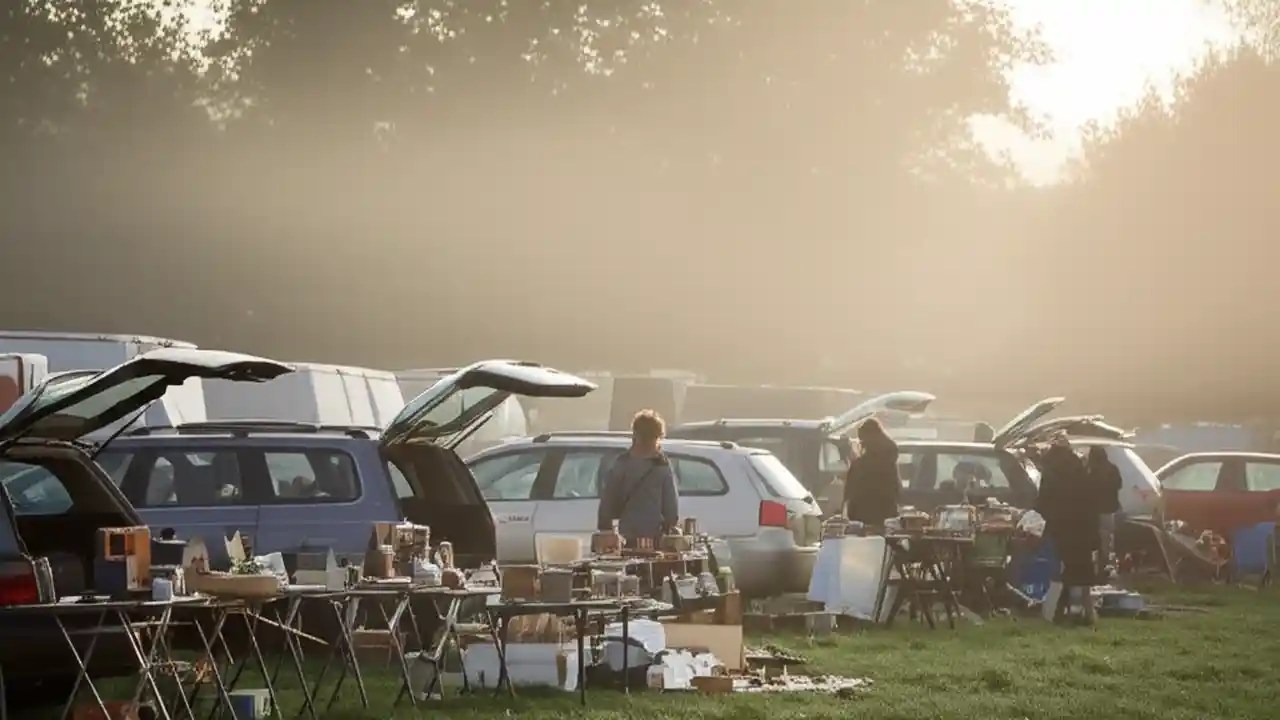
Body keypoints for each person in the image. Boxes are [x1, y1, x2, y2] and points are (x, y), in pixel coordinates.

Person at [1035, 433, 1096, 624]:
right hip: (1082, 526)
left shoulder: (1050, 470)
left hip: (1060, 526)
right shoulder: (1080, 468)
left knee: (1060, 570)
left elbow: (1043, 501)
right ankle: (1084, 613)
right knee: (1081, 570)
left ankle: (1057, 612)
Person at [598, 409, 680, 548]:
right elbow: (671, 508)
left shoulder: (622, 463)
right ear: (658, 436)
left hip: (624, 537)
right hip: (654, 539)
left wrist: (605, 529)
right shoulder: (661, 465)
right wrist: (670, 529)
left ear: (635, 434)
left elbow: (608, 500)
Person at [843, 417, 900, 527]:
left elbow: (850, 492)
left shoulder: (860, 465)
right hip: (886, 516)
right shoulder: (889, 460)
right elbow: (896, 489)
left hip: (863, 517)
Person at [1086, 445, 1123, 579]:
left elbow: (1088, 490)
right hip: (1111, 510)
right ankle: (1107, 565)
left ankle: (1100, 567)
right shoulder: (1112, 469)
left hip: (1096, 512)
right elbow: (1119, 484)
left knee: (1099, 541)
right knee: (1108, 540)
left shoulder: (1092, 472)